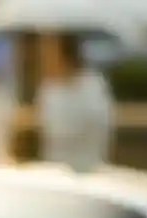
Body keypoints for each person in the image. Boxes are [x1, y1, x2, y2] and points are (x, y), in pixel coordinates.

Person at [36, 33, 113, 172]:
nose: (44, 59)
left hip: (89, 169)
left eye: (50, 53)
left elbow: (96, 126)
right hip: (55, 172)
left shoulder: (93, 84)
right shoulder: (48, 90)